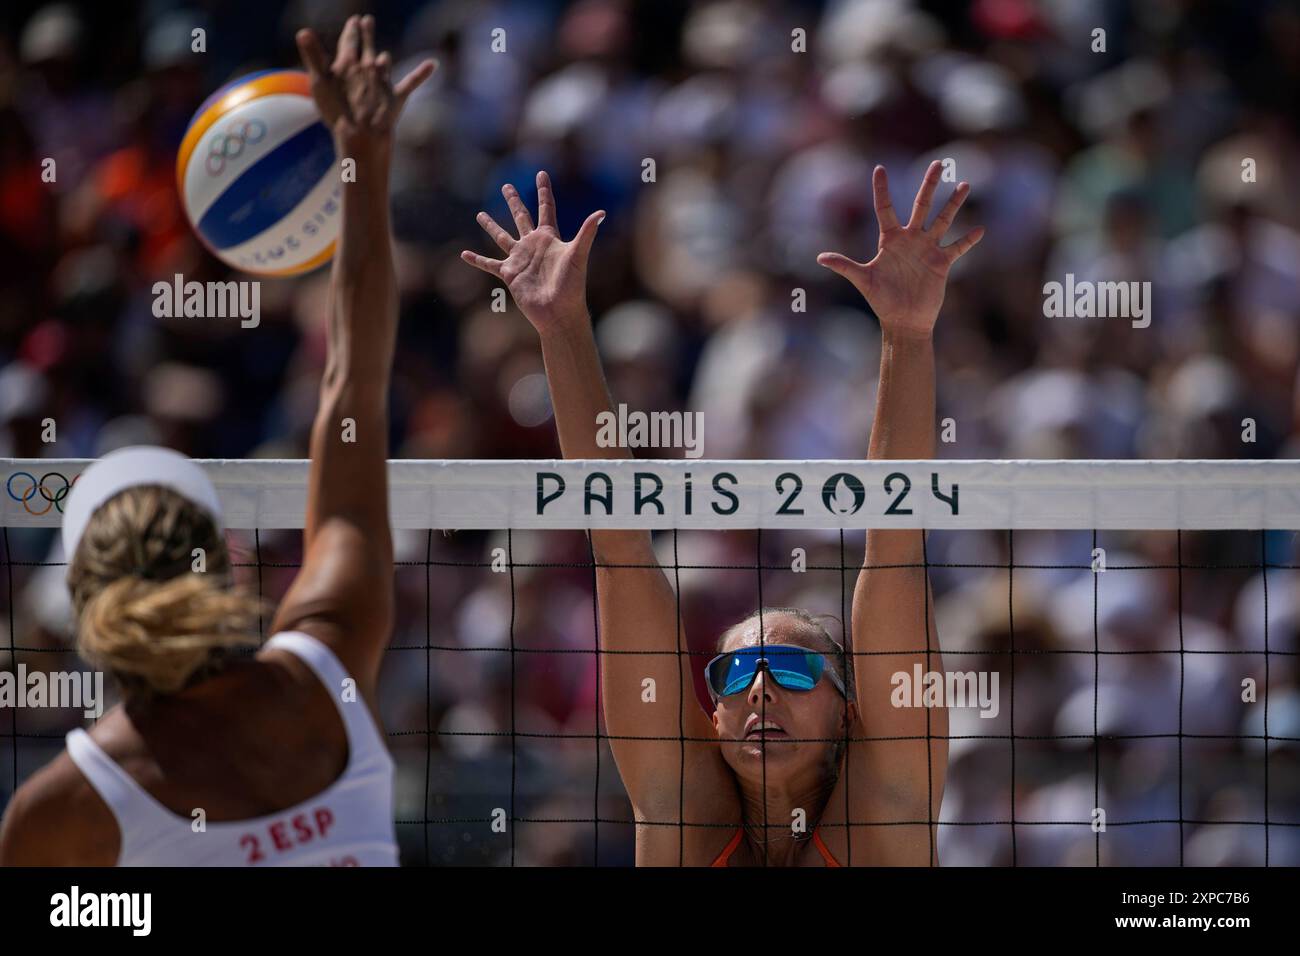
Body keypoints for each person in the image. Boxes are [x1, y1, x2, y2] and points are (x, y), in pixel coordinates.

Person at [0, 15, 434, 866]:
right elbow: (355, 387)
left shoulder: (60, 813)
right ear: (227, 559)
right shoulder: (329, 668)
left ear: (85, 604)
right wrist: (363, 157)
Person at [463, 161, 982, 865]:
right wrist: (561, 327)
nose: (760, 687)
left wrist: (908, 335)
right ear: (713, 718)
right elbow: (616, 541)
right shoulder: (684, 821)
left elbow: (894, 541)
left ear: (848, 716)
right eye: (734, 676)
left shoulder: (885, 818)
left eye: (794, 671)